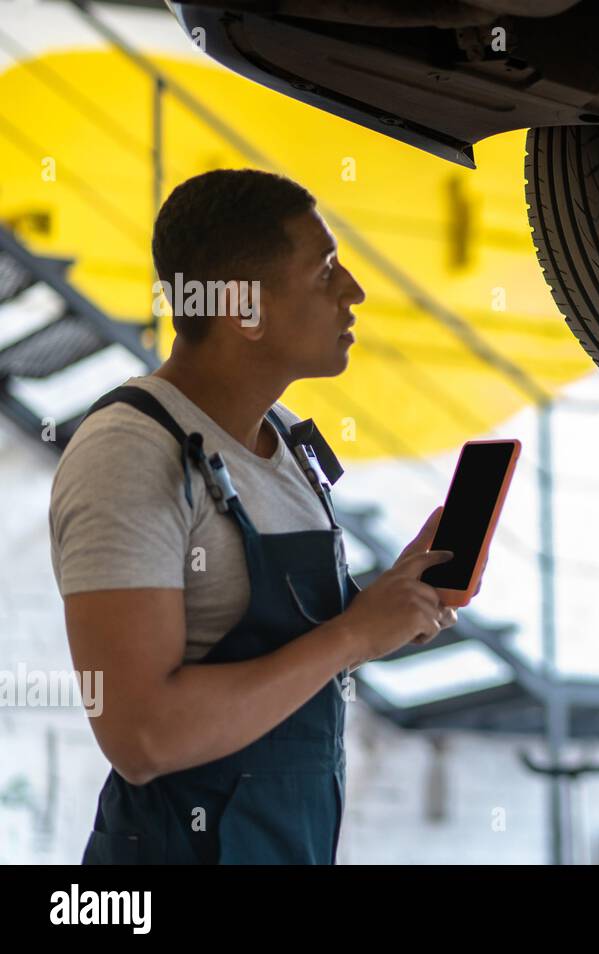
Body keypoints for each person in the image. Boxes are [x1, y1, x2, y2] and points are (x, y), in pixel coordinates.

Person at [50, 169, 459, 864]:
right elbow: (143, 737)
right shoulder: (131, 453)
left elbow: (287, 647)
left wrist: (391, 605)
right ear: (244, 309)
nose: (353, 291)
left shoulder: (287, 439)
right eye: (325, 269)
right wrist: (353, 637)